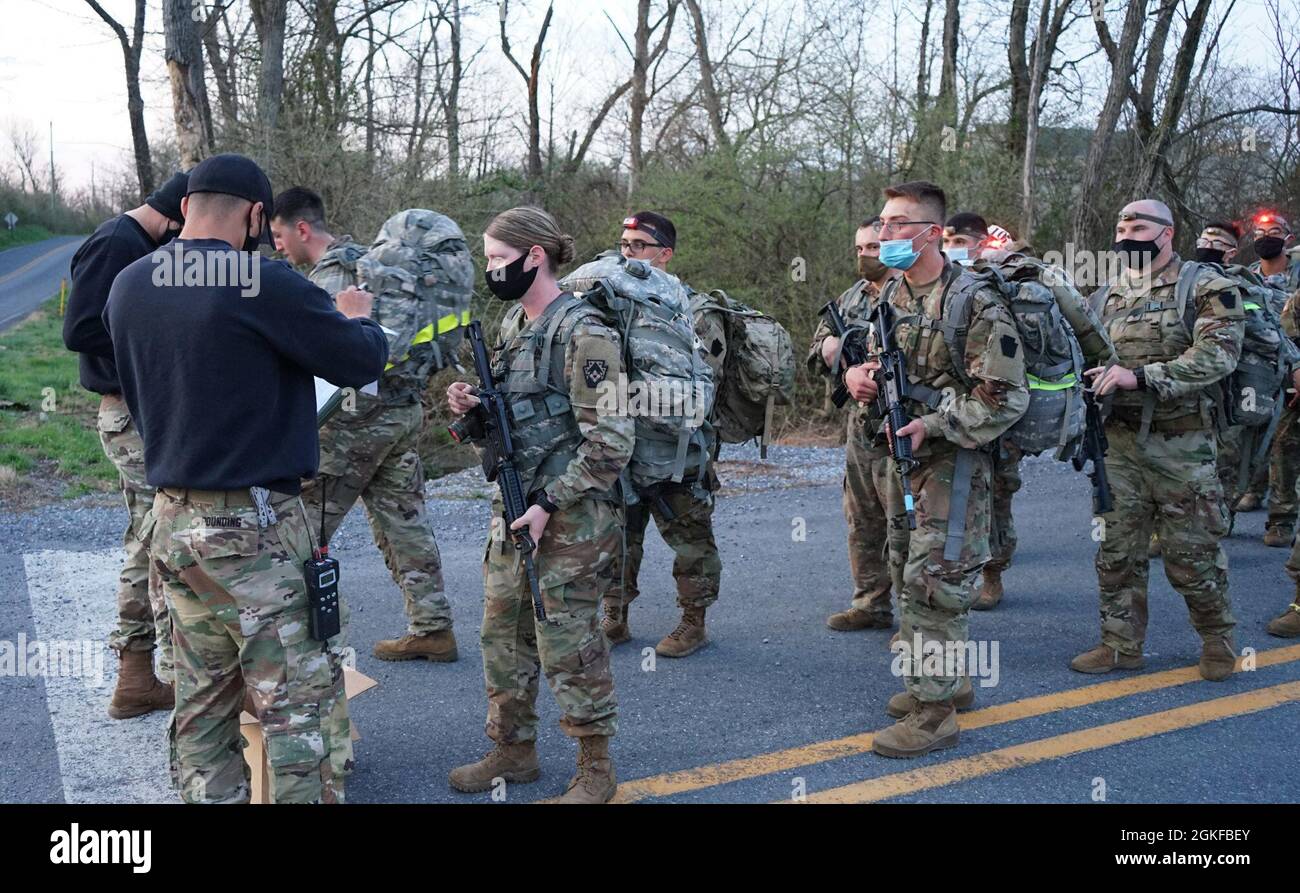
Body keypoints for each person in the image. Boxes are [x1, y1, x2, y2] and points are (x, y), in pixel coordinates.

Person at [104, 153, 389, 803]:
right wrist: (356, 314)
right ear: (258, 215)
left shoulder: (128, 285)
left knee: (202, 701)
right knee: (298, 705)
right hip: (254, 528)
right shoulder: (262, 282)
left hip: (172, 522)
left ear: (184, 208)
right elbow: (359, 361)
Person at [446, 206, 633, 803]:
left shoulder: (585, 332)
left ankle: (595, 767)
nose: (490, 268)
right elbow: (512, 421)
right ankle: (513, 749)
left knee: (569, 643)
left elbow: (613, 440)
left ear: (536, 257)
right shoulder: (511, 326)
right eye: (487, 257)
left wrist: (551, 502)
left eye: (499, 258)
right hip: (515, 510)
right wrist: (471, 411)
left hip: (571, 519)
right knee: (501, 635)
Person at [844, 181, 1029, 757]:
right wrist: (860, 377)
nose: (884, 233)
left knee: (936, 585)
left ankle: (935, 714)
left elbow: (1005, 396)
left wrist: (937, 424)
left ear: (929, 232)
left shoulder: (973, 301)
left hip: (957, 463)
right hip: (906, 460)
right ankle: (951, 682)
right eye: (882, 221)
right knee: (909, 570)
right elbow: (887, 359)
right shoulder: (892, 293)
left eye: (898, 223)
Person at [271, 188, 457, 662]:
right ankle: (433, 627)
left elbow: (329, 354)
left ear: (302, 229)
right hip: (403, 410)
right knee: (403, 518)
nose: (277, 247)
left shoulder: (331, 275)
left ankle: (290, 644)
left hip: (355, 417)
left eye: (278, 235)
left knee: (305, 523)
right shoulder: (374, 260)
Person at [1073, 199, 1243, 682]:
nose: (1127, 233)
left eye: (1139, 225)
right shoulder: (1104, 295)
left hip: (1181, 443)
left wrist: (1139, 376)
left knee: (1191, 553)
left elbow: (1218, 356)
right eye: (1122, 224)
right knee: (1116, 550)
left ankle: (1217, 639)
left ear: (1166, 233)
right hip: (1117, 445)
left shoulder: (1207, 285)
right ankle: (1121, 644)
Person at [62, 170, 187, 719]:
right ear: (177, 215)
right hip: (130, 412)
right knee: (168, 534)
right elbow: (80, 329)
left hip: (138, 410)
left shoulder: (137, 245)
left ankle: (136, 677)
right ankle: (181, 677)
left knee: (146, 536)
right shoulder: (118, 242)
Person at [598, 211, 723, 657]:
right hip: (625, 445)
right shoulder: (613, 300)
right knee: (619, 535)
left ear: (665, 254)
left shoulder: (693, 309)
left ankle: (694, 620)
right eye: (623, 245)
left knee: (690, 538)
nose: (626, 254)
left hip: (678, 451)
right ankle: (615, 613)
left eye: (638, 246)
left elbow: (706, 385)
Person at [809, 216, 907, 631]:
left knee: (904, 525)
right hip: (860, 430)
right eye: (859, 249)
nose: (865, 255)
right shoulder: (849, 299)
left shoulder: (910, 295)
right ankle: (870, 603)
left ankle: (916, 619)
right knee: (861, 520)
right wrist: (844, 367)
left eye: (873, 247)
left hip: (902, 426)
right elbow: (817, 348)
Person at [1248, 213, 1300, 546]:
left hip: (1293, 369)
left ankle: (1281, 519)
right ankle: (1251, 490)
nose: (1267, 237)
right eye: (1261, 232)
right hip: (1255, 371)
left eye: (1275, 232)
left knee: (1285, 444)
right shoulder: (1245, 277)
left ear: (1289, 238)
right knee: (1247, 435)